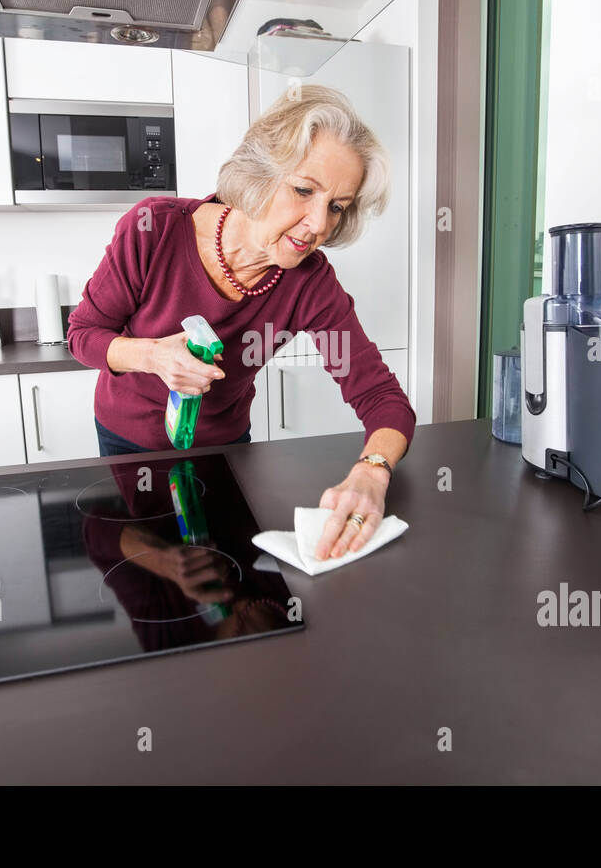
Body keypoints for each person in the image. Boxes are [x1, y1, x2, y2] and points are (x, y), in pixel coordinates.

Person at [67, 85, 415, 562]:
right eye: (303, 190)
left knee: (227, 580)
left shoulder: (309, 284)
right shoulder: (154, 229)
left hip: (226, 451)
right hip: (130, 445)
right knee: (146, 574)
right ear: (259, 174)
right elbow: (83, 335)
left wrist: (371, 473)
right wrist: (152, 355)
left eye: (336, 205)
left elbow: (382, 399)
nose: (317, 224)